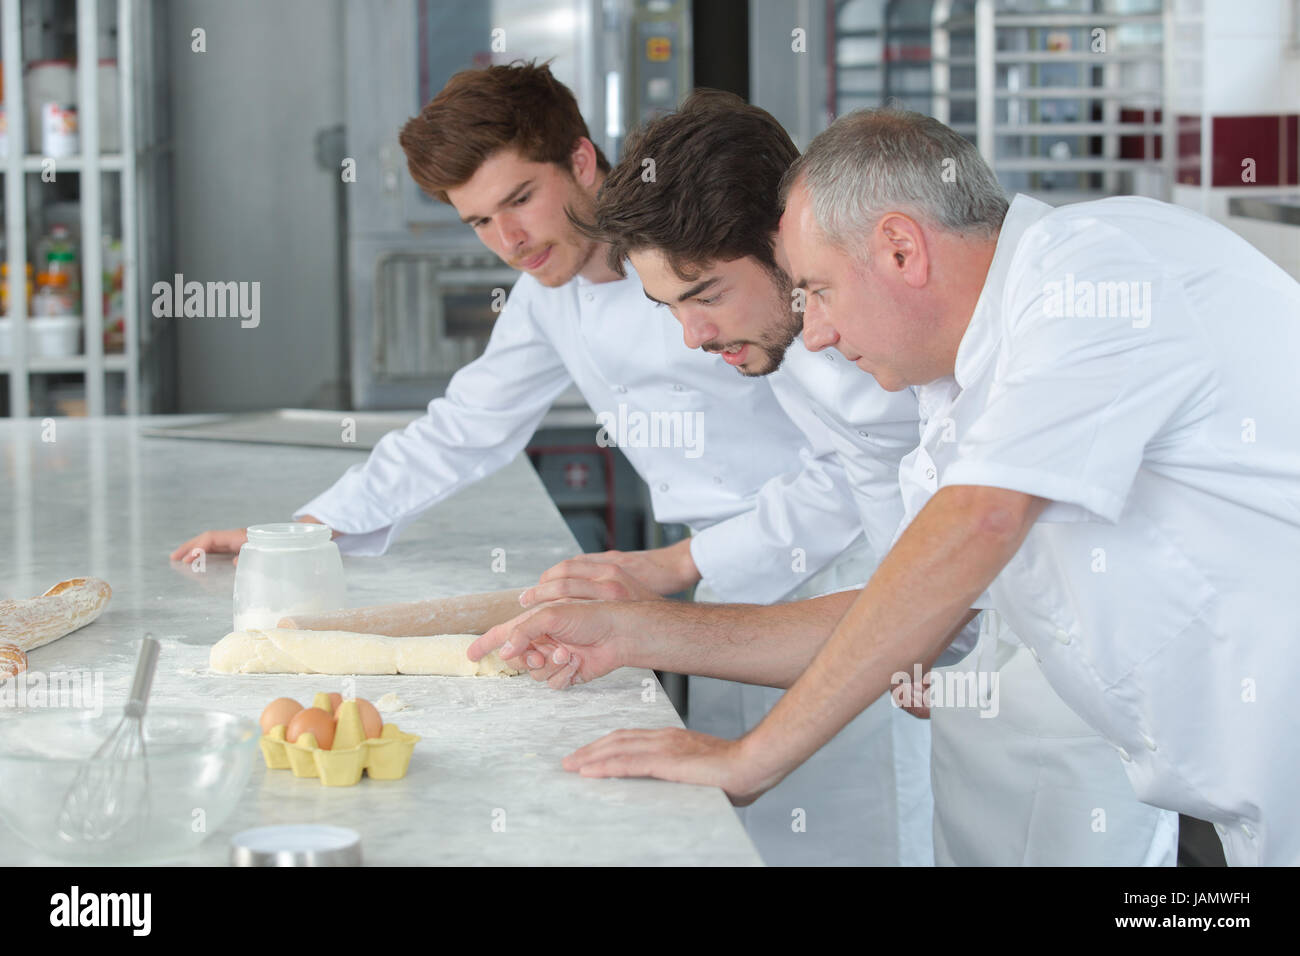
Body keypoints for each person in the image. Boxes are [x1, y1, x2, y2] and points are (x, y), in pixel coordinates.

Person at [474, 106, 1300, 867]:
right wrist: (633, 636)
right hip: (1233, 803)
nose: (819, 331)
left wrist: (751, 758)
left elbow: (977, 526)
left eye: (820, 290)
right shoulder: (952, 402)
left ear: (901, 248)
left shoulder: (1093, 267)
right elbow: (929, 623)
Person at [170, 63, 932, 866]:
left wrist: (675, 564)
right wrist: (304, 532)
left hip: (842, 575)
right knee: (746, 839)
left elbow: (857, 471)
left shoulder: (763, 283)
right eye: (478, 223)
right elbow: (467, 425)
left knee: (849, 833)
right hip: (728, 591)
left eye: (519, 200)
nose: (510, 241)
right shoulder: (551, 290)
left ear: (579, 160)